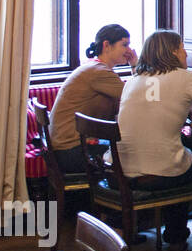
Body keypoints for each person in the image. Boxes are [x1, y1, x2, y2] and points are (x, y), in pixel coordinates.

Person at [116, 30, 192, 251]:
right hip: (161, 174)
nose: (186, 53)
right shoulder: (186, 78)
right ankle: (183, 229)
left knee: (184, 149)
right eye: (182, 47)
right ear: (173, 52)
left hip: (120, 171)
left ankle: (186, 223)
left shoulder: (134, 80)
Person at [48, 24, 137, 174]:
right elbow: (137, 96)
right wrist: (135, 65)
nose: (129, 50)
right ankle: (129, 194)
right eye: (124, 45)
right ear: (107, 45)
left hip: (64, 149)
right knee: (134, 153)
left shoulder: (94, 68)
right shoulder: (99, 72)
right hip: (72, 152)